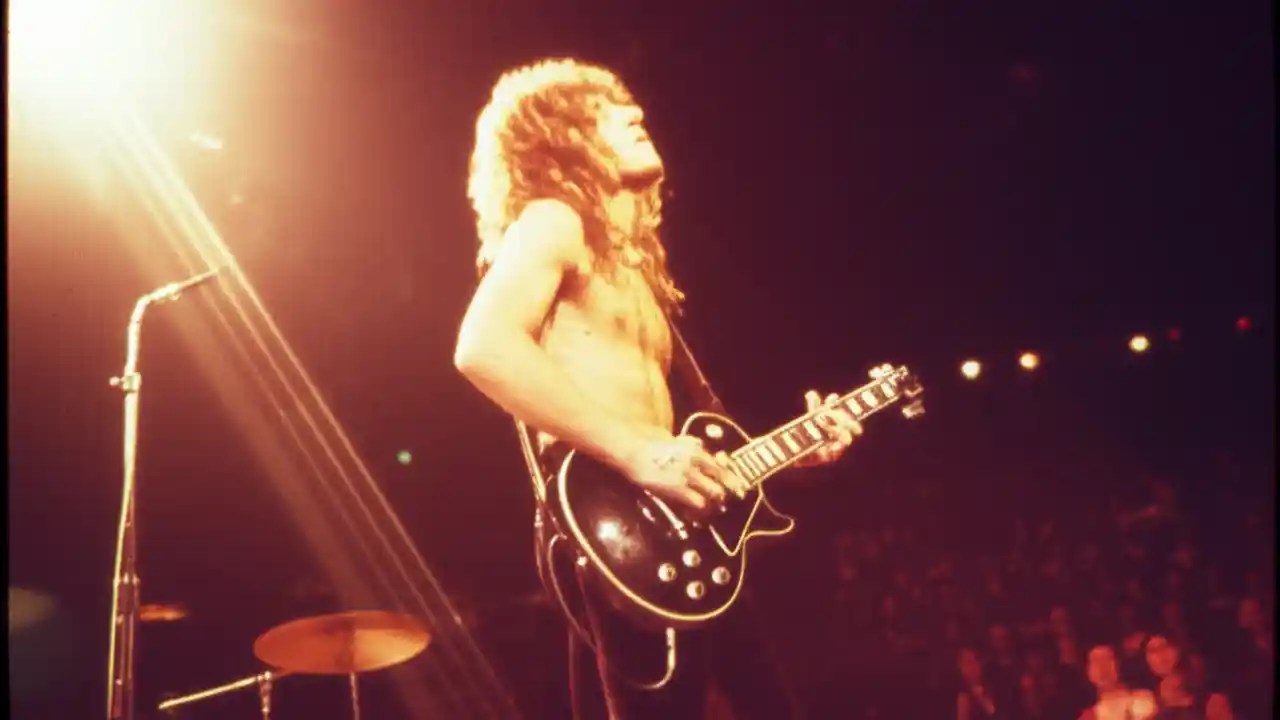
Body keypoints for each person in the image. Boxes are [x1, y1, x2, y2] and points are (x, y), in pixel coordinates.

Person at [455, 58, 863, 719]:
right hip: (618, 526)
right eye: (604, 113)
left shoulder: (633, 269)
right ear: (560, 139)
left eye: (629, 106)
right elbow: (483, 346)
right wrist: (637, 452)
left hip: (676, 534)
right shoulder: (554, 220)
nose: (635, 114)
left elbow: (684, 448)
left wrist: (796, 457)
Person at [1078, 645, 1157, 720]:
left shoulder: (1143, 701)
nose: (1102, 666)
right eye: (1095, 661)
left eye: (1107, 659)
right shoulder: (1088, 716)